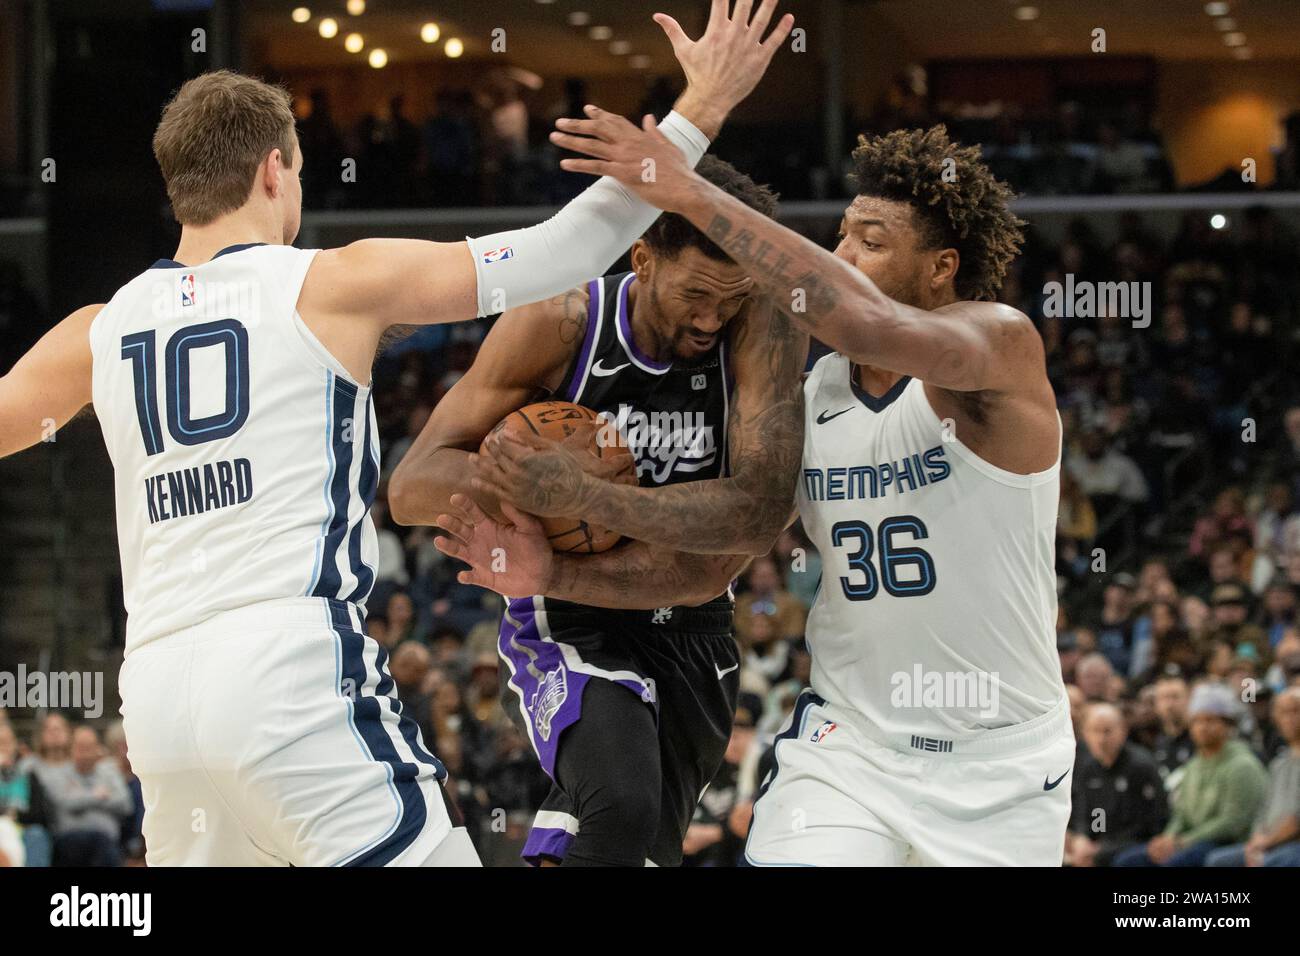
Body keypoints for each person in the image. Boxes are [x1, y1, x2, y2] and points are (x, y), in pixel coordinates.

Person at [0, 0, 786, 864]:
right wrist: (702, 107)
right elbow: (566, 248)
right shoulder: (334, 282)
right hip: (285, 671)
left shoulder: (96, 329)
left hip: (155, 698)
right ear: (274, 171)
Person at [459, 117, 1073, 864]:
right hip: (850, 749)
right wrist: (556, 571)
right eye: (840, 236)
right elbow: (727, 540)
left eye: (870, 242)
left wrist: (684, 188)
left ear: (942, 267)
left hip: (998, 759)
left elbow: (864, 320)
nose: (840, 257)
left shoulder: (1000, 348)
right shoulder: (812, 397)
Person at [397, 154, 802, 866]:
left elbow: (752, 524)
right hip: (566, 616)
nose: (712, 318)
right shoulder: (560, 322)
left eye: (731, 296)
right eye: (696, 293)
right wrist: (527, 491)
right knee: (621, 803)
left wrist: (587, 498)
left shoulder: (757, 335)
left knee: (641, 848)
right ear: (642, 259)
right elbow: (413, 486)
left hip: (694, 622)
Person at [1113, 683, 1268, 866]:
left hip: (1227, 843)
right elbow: (1181, 813)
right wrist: (1168, 838)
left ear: (1227, 725)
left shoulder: (1242, 765)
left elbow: (1233, 823)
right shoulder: (1193, 765)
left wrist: (1184, 841)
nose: (1203, 727)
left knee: (1177, 862)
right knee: (1129, 861)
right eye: (1197, 721)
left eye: (1211, 720)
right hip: (1191, 840)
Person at [1205, 687, 1300, 866]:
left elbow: (1296, 821)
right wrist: (1256, 840)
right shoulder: (1279, 763)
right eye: (1284, 712)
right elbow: (1264, 810)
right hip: (1270, 842)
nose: (1290, 718)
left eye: (1296, 710)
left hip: (1293, 844)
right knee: (1217, 861)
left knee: (1274, 861)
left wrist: (1266, 843)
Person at [1065, 703, 1168, 867]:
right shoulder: (1089, 768)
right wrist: (1083, 837)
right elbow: (1091, 814)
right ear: (1085, 734)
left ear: (1123, 731)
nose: (1101, 739)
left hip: (1138, 842)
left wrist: (1102, 848)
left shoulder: (1141, 766)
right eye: (1095, 731)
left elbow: (1149, 823)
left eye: (1107, 731)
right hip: (1103, 843)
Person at [42, 726, 133, 867]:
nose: (85, 753)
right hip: (70, 840)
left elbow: (125, 804)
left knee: (104, 844)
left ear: (98, 748)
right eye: (81, 747)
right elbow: (65, 803)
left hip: (107, 841)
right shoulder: (58, 774)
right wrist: (98, 796)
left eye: (89, 747)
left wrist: (81, 797)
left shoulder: (109, 772)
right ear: (71, 748)